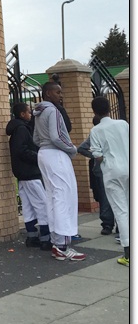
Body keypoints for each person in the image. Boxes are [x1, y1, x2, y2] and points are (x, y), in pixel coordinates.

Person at [33, 81, 85, 262]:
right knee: (64, 196)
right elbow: (57, 136)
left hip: (44, 154)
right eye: (58, 92)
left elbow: (36, 138)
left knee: (53, 196)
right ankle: (63, 245)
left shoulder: (38, 112)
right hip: (56, 155)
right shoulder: (53, 111)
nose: (61, 95)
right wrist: (72, 148)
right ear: (48, 93)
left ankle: (57, 242)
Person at [89, 96, 129, 267]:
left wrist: (103, 158)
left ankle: (128, 253)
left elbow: (97, 155)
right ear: (109, 109)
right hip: (129, 166)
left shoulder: (96, 131)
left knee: (121, 211)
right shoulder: (123, 124)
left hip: (112, 172)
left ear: (95, 112)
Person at [6, 102, 51, 250]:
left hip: (22, 174)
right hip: (30, 173)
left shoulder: (17, 129)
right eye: (28, 112)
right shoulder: (22, 130)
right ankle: (46, 237)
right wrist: (38, 157)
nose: (30, 115)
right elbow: (22, 150)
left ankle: (32, 236)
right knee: (42, 204)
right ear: (22, 114)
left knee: (28, 206)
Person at [77, 115, 115, 236]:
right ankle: (118, 224)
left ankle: (107, 224)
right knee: (114, 196)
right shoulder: (112, 133)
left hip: (101, 169)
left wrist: (95, 156)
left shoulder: (94, 134)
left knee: (105, 197)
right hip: (113, 168)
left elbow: (81, 149)